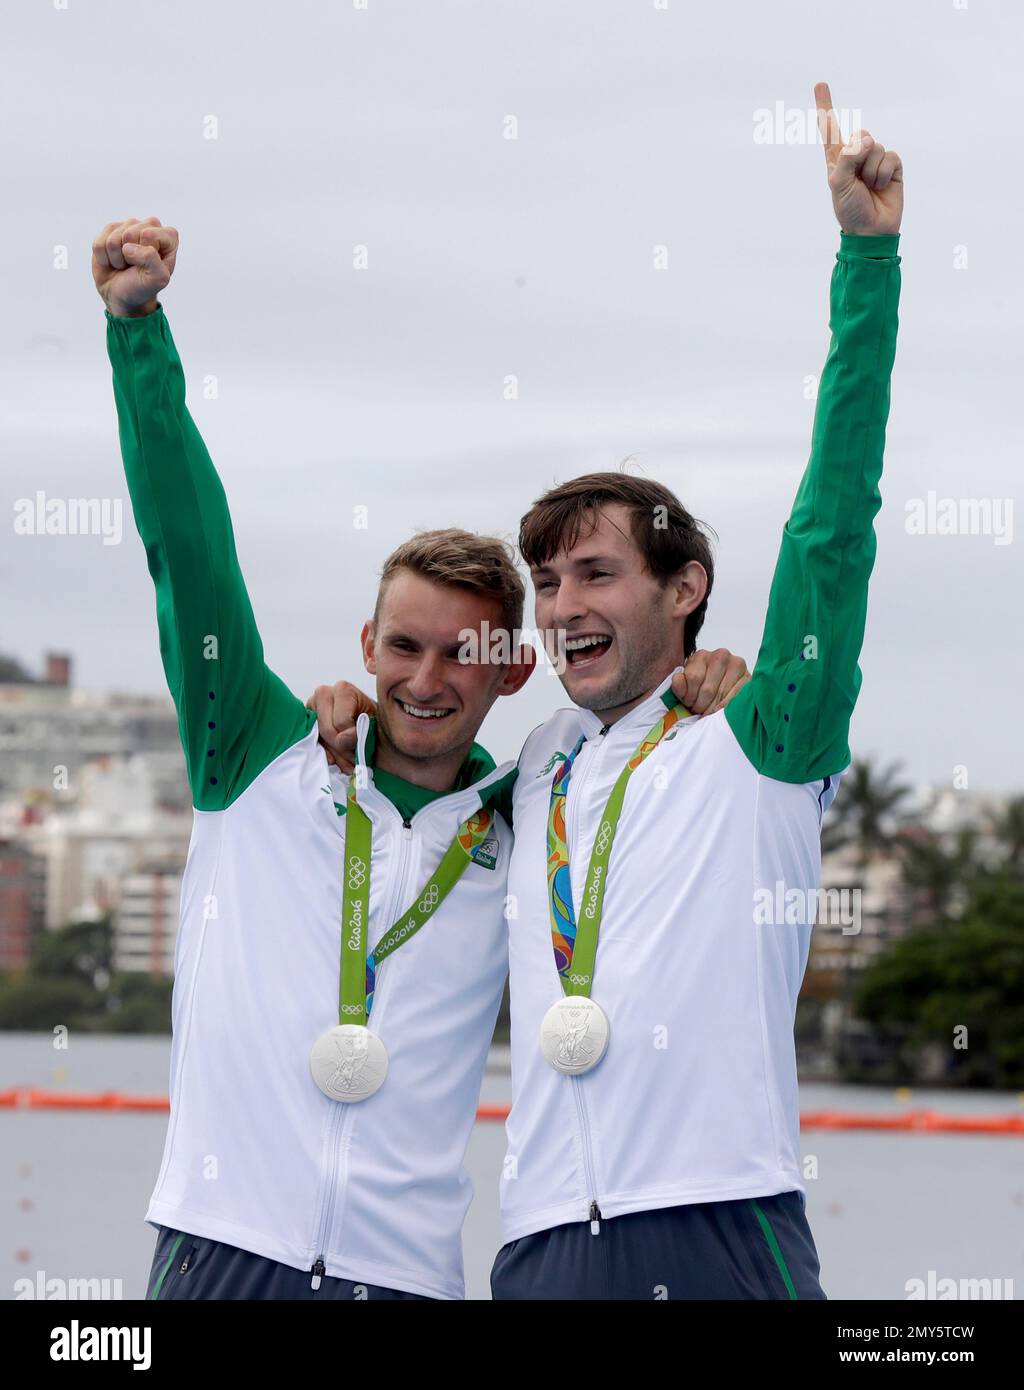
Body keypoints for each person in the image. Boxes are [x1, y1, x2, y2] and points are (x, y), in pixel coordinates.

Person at [310, 82, 903, 1299]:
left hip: (718, 1223)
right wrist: (357, 724)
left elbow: (832, 529)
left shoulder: (761, 733)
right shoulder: (536, 769)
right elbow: (429, 766)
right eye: (545, 579)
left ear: (685, 587)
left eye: (595, 571)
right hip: (536, 1247)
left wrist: (866, 263)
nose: (562, 601)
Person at [92, 213, 748, 1300]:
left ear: (512, 670)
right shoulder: (252, 754)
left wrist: (713, 678)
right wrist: (138, 332)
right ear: (364, 647)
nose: (426, 677)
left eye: (465, 651)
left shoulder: (528, 813)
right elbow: (187, 551)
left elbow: (648, 745)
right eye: (402, 645)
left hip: (407, 1281)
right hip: (219, 1251)